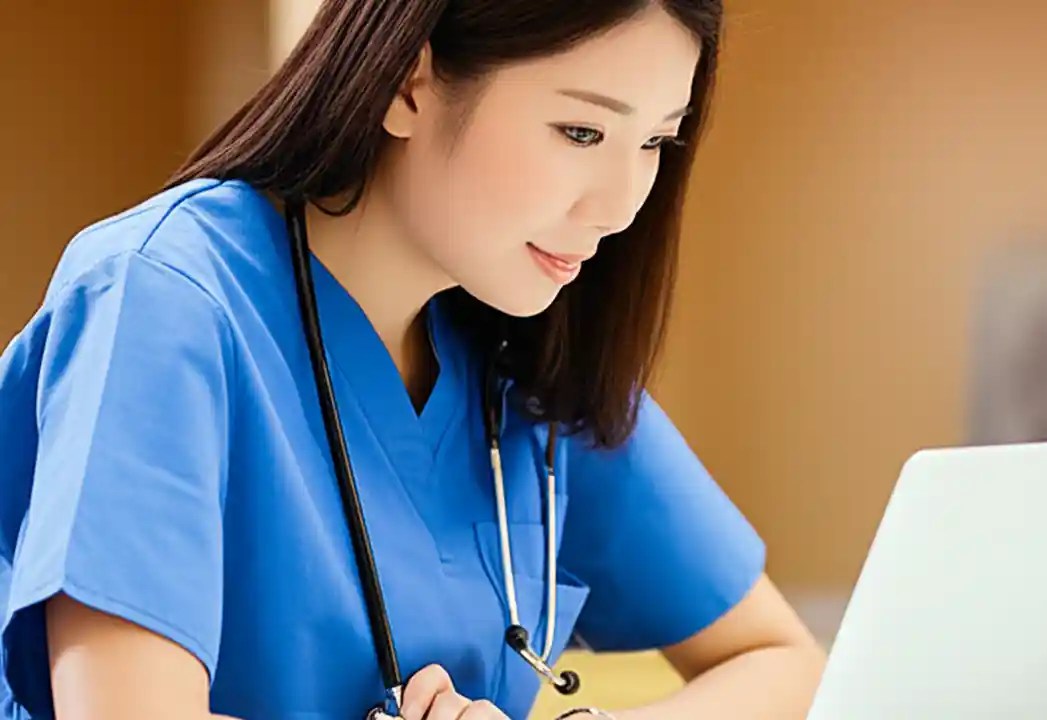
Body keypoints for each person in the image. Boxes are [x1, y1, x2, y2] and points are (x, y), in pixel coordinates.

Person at [0, 1, 826, 718]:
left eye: (655, 142)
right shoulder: (163, 299)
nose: (617, 207)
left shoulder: (522, 358)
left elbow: (782, 664)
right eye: (582, 130)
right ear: (407, 80)